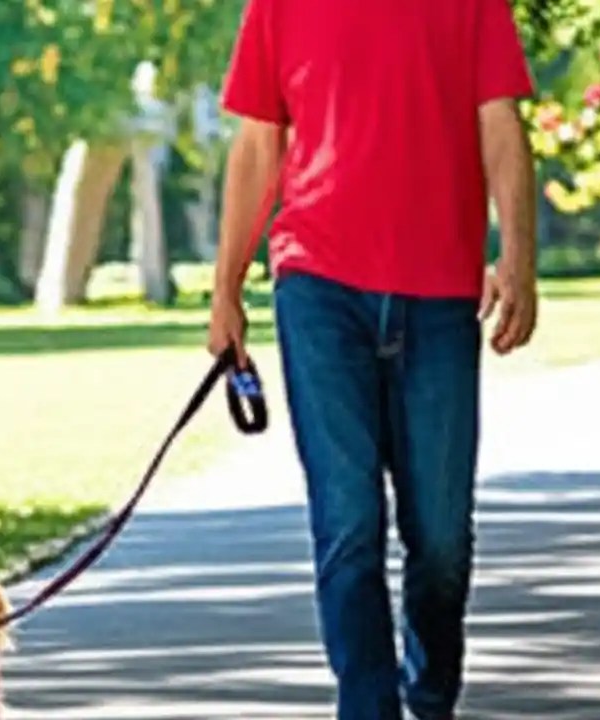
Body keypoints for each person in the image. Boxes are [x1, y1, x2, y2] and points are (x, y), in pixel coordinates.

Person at [207, 1, 538, 718]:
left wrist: (519, 260)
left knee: (442, 537)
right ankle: (369, 707)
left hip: (441, 293)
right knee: (349, 520)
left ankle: (430, 698)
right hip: (318, 285)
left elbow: (501, 125)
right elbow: (259, 143)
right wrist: (225, 288)